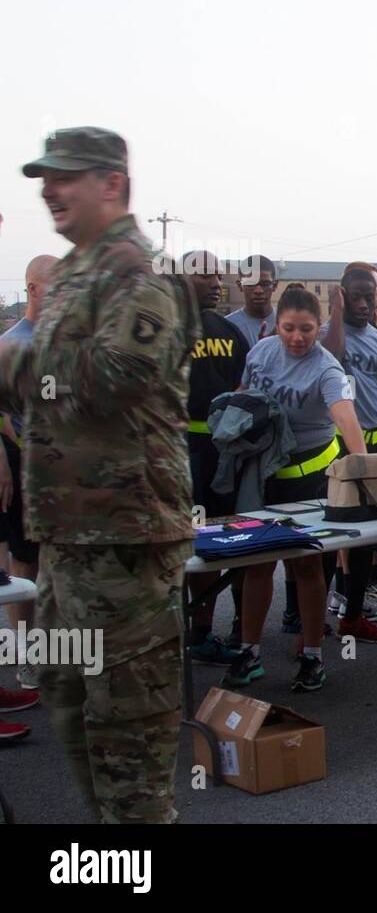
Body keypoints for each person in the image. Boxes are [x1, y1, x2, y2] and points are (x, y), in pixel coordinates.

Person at [1, 126, 199, 821]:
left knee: (130, 754)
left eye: (65, 177)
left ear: (111, 183)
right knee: (72, 718)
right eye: (45, 179)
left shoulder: (141, 275)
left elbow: (112, 378)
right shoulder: (70, 274)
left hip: (126, 546)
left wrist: (9, 365)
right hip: (63, 541)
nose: (49, 190)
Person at [223, 288, 367, 691]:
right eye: (289, 328)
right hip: (264, 475)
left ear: (318, 327)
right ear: (277, 324)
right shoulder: (262, 352)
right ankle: (249, 651)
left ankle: (313, 657)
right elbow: (243, 396)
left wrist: (364, 471)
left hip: (309, 480)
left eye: (306, 329)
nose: (298, 338)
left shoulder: (327, 368)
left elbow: (347, 420)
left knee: (304, 566)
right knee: (257, 562)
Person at [319, 267, 377, 644]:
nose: (366, 304)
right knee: (328, 537)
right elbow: (331, 357)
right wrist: (335, 313)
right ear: (342, 295)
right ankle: (311, 618)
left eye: (371, 297)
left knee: (366, 536)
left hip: (375, 445)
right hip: (333, 447)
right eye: (356, 296)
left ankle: (353, 615)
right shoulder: (327, 336)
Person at [181, 250, 249, 662]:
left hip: (227, 455)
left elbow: (246, 387)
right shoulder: (162, 330)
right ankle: (196, 632)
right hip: (184, 457)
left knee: (233, 539)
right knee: (189, 547)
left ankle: (238, 631)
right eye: (205, 275)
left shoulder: (227, 330)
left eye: (218, 276)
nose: (216, 283)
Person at [0, 255, 56, 742]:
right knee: (25, 566)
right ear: (33, 288)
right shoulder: (11, 345)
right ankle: (28, 662)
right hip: (28, 471)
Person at [226, 254, 277, 349]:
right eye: (250, 283)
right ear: (239, 285)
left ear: (274, 285)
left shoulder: (289, 324)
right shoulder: (226, 327)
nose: (258, 290)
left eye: (265, 284)